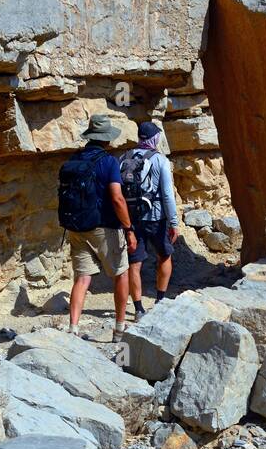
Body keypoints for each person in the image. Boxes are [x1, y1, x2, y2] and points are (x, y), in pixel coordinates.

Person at [62, 114, 137, 342]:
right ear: (106, 139)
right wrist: (129, 228)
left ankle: (73, 329)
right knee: (120, 273)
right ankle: (119, 328)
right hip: (105, 228)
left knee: (82, 278)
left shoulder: (73, 160)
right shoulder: (109, 161)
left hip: (76, 227)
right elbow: (117, 198)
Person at [120, 121, 180, 320]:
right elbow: (167, 195)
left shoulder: (124, 158)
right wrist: (173, 223)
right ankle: (160, 301)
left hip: (132, 220)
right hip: (156, 218)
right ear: (155, 138)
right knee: (164, 255)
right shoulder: (160, 160)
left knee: (134, 264)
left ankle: (138, 310)